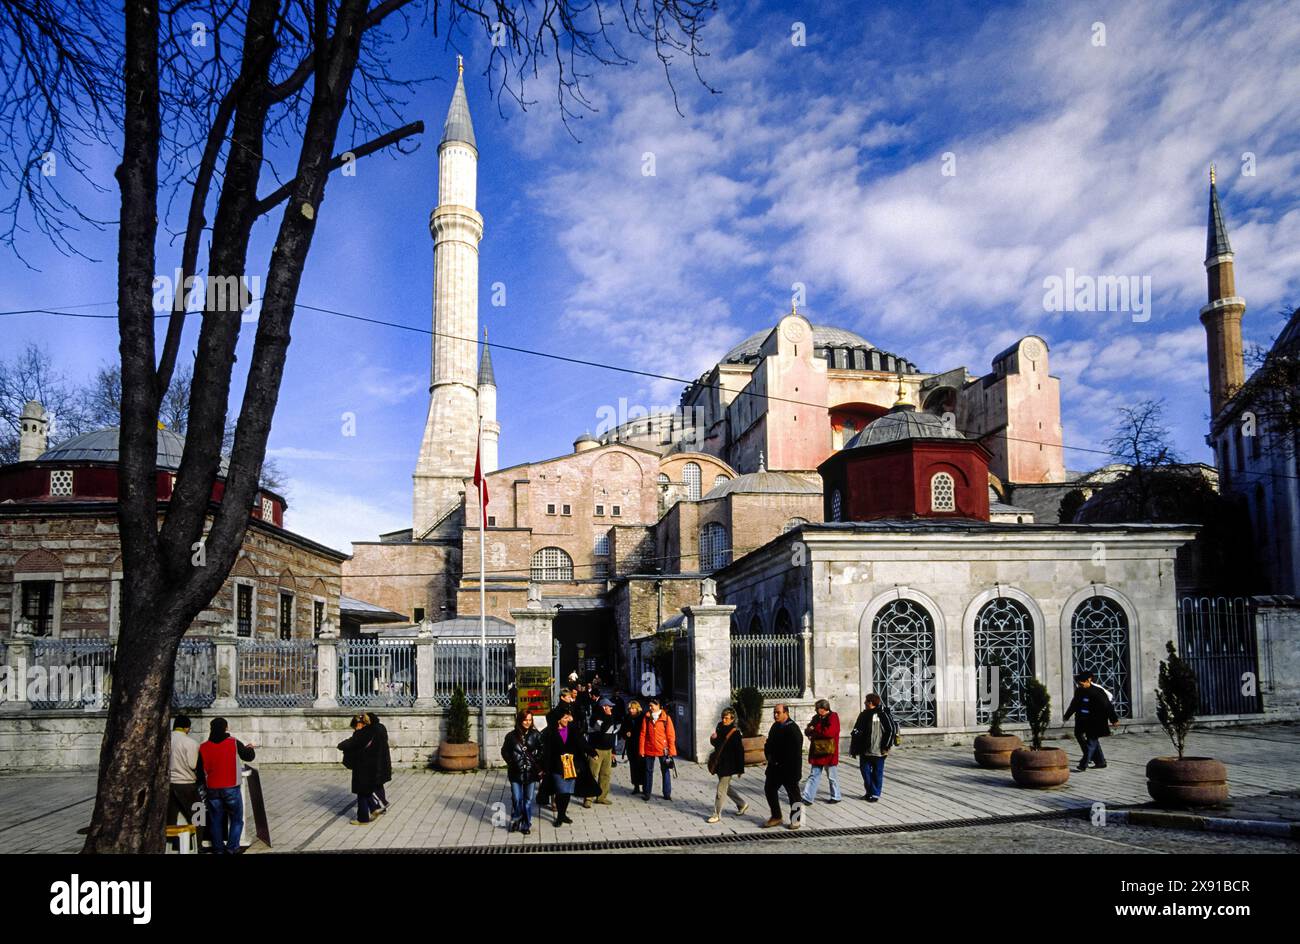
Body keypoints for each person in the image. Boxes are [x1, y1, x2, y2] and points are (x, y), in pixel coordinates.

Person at [196, 717, 256, 853]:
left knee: (216, 819)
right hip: (231, 787)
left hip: (212, 788)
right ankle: (232, 847)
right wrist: (250, 748)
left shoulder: (203, 747)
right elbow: (248, 756)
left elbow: (199, 770)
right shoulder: (233, 742)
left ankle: (218, 849)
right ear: (225, 728)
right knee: (236, 818)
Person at [543, 706, 598, 826]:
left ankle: (562, 815)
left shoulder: (572, 729)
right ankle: (559, 817)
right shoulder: (550, 732)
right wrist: (543, 767)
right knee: (560, 791)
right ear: (558, 719)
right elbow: (546, 751)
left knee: (567, 792)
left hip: (572, 765)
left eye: (568, 717)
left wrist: (592, 752)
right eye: (565, 717)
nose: (568, 719)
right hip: (557, 766)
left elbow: (582, 742)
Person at [1063, 671, 1119, 771]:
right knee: (1079, 734)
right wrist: (1067, 715)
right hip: (1081, 719)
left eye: (1082, 683)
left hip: (1095, 720)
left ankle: (1083, 764)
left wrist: (1114, 719)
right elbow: (1074, 704)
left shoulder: (1098, 691)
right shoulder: (1079, 691)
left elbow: (1107, 706)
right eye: (1079, 683)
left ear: (1089, 680)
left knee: (1091, 741)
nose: (1081, 685)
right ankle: (1100, 762)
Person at [501, 710, 544, 835]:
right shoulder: (511, 736)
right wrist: (511, 762)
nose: (528, 722)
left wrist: (536, 759)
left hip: (530, 772)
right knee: (516, 798)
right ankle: (516, 818)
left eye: (530, 720)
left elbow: (542, 750)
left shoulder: (536, 735)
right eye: (525, 720)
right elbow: (504, 751)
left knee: (528, 800)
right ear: (520, 720)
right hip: (515, 772)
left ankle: (526, 823)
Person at [849, 693, 898, 802]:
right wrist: (854, 748)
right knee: (865, 771)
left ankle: (874, 794)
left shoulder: (883, 714)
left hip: (878, 750)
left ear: (870, 703)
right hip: (864, 749)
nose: (864, 703)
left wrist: (886, 745)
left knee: (877, 772)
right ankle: (870, 791)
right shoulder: (863, 714)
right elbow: (857, 730)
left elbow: (891, 730)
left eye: (866, 701)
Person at [762, 703, 803, 829]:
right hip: (774, 767)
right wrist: (768, 755)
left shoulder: (793, 729)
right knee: (769, 789)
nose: (775, 715)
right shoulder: (775, 726)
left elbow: (794, 752)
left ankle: (796, 820)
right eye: (774, 712)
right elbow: (768, 743)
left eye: (778, 712)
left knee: (794, 795)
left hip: (789, 769)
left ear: (786, 713)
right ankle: (776, 816)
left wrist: (786, 764)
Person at [706, 707, 749, 823]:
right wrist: (712, 739)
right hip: (719, 763)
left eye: (726, 718)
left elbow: (739, 752)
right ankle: (742, 804)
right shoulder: (720, 727)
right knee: (726, 788)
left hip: (729, 766)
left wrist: (740, 769)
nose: (724, 720)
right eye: (723, 718)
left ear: (732, 719)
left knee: (721, 789)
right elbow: (717, 744)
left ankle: (716, 814)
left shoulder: (735, 733)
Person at [337, 714, 381, 826]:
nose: (355, 729)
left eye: (355, 726)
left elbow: (349, 744)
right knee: (367, 789)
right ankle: (374, 808)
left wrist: (340, 745)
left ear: (360, 724)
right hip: (372, 765)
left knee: (361, 792)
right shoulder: (374, 731)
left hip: (362, 766)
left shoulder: (361, 734)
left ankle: (363, 819)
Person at [801, 699, 843, 805]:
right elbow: (807, 730)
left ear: (823, 709)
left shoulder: (833, 717)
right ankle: (807, 797)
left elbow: (829, 733)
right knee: (814, 774)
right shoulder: (816, 718)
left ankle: (836, 796)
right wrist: (811, 730)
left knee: (832, 776)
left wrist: (815, 730)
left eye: (817, 708)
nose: (815, 710)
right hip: (817, 751)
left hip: (829, 751)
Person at [638, 696, 677, 801]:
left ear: (659, 705)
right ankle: (647, 793)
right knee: (648, 771)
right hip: (649, 748)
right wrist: (641, 749)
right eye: (649, 705)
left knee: (665, 771)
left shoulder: (666, 718)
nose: (650, 707)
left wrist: (671, 750)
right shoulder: (646, 717)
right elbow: (643, 734)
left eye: (653, 705)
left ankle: (667, 793)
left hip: (663, 748)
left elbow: (671, 735)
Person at [584, 696, 619, 807]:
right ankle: (588, 799)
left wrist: (613, 751)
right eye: (609, 707)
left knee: (606, 774)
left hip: (608, 751)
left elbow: (612, 735)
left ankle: (602, 797)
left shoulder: (611, 717)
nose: (611, 709)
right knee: (592, 774)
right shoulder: (595, 718)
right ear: (604, 707)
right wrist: (608, 717)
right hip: (596, 750)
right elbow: (602, 729)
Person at [168, 714, 201, 827]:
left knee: (170, 819)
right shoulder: (191, 743)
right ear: (187, 728)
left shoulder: (166, 740)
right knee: (199, 816)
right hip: (186, 785)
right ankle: (197, 843)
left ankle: (172, 844)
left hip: (169, 784)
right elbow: (193, 765)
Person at [367, 712, 393, 814]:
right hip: (383, 761)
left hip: (375, 762)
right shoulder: (381, 727)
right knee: (378, 785)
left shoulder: (372, 730)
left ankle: (382, 803)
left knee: (370, 785)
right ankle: (381, 804)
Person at [621, 699, 646, 796]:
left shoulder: (642, 717)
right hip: (631, 745)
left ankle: (644, 786)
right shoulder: (627, 717)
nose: (631, 710)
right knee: (633, 766)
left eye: (633, 709)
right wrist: (625, 733)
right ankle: (636, 786)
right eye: (630, 709)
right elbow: (622, 730)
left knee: (642, 767)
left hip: (640, 745)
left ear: (637, 708)